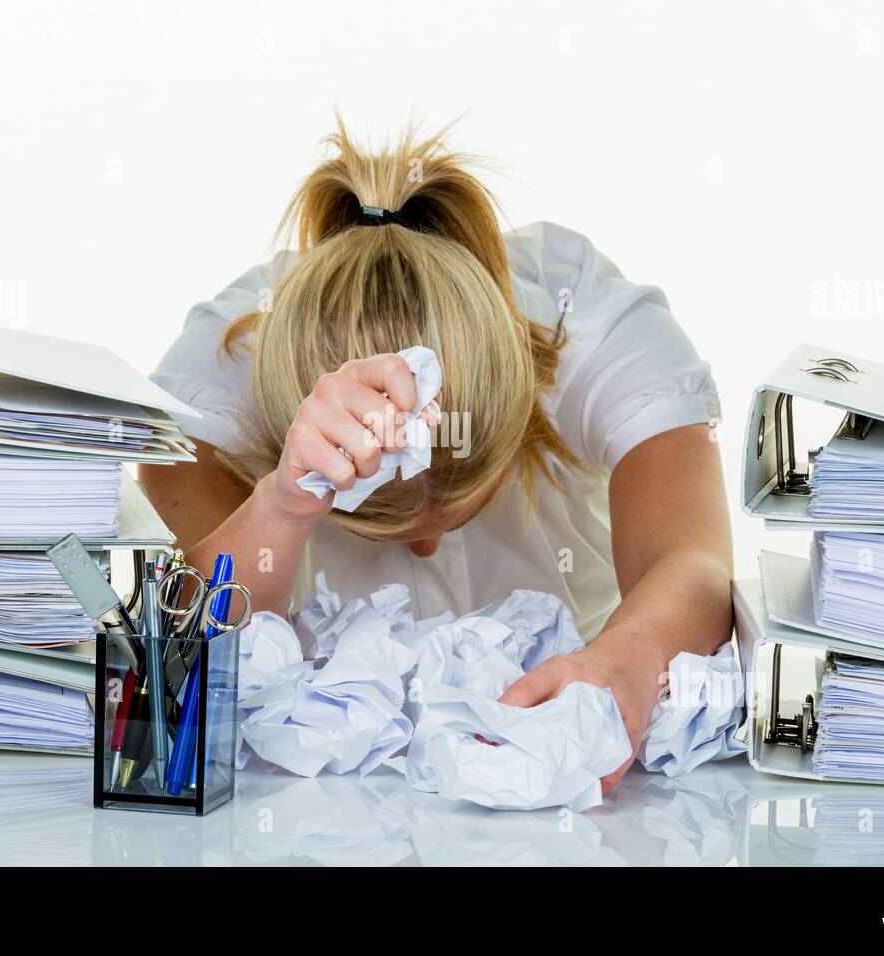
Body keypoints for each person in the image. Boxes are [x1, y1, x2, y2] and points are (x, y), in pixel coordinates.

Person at [143, 122, 733, 793]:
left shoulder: (593, 326)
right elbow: (183, 651)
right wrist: (282, 503)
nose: (421, 549)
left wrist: (630, 663)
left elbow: (696, 562)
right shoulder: (221, 365)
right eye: (375, 524)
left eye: (458, 510)